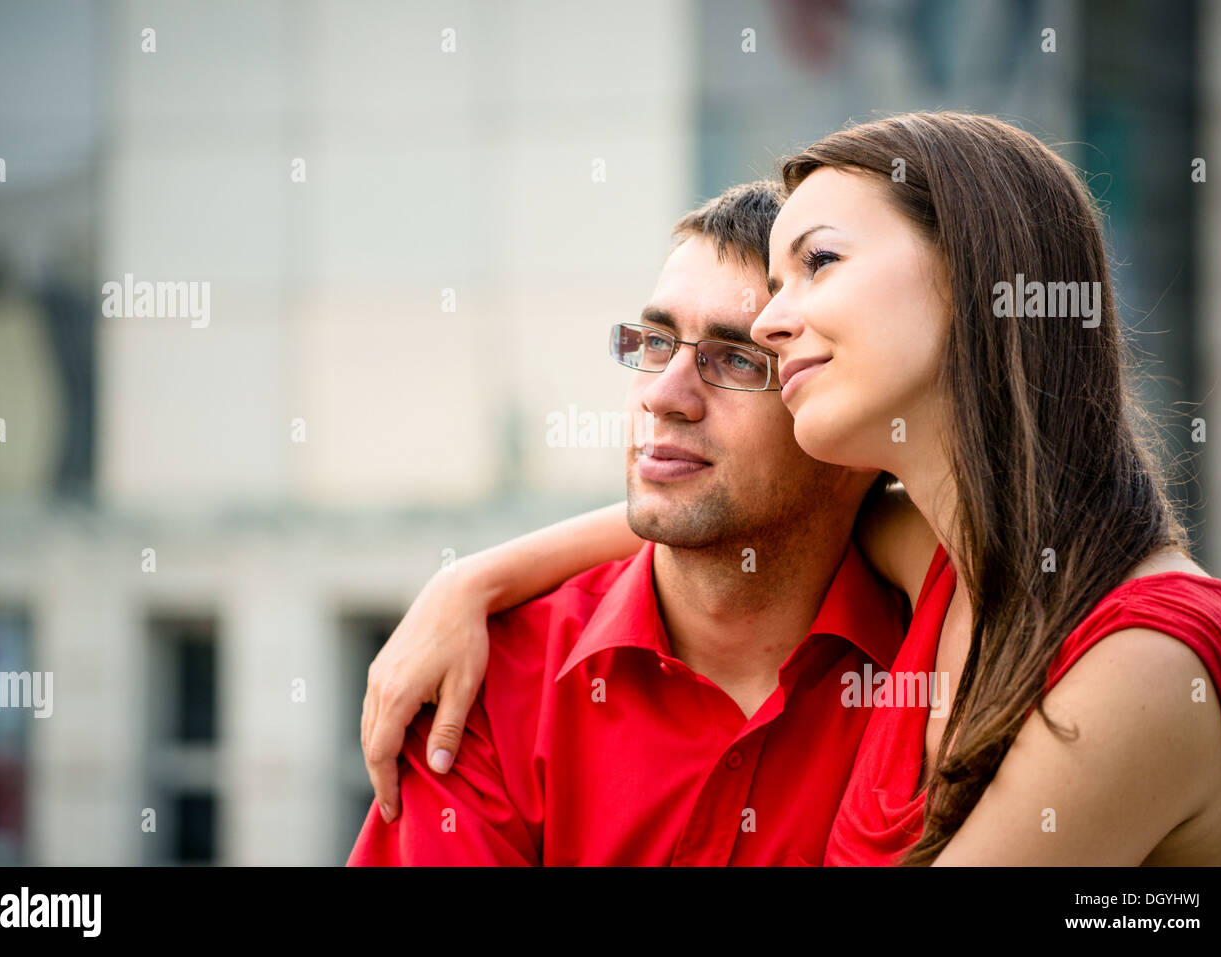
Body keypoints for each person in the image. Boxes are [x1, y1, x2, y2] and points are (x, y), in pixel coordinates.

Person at [361, 112, 1221, 866]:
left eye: (818, 265)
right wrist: (473, 578)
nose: (780, 323)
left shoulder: (1134, 662)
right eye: (655, 342)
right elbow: (726, 511)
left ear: (977, 282)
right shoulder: (941, 556)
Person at [347, 182, 909, 865]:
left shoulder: (943, 673)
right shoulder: (487, 686)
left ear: (843, 424)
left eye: (736, 359)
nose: (662, 396)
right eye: (655, 342)